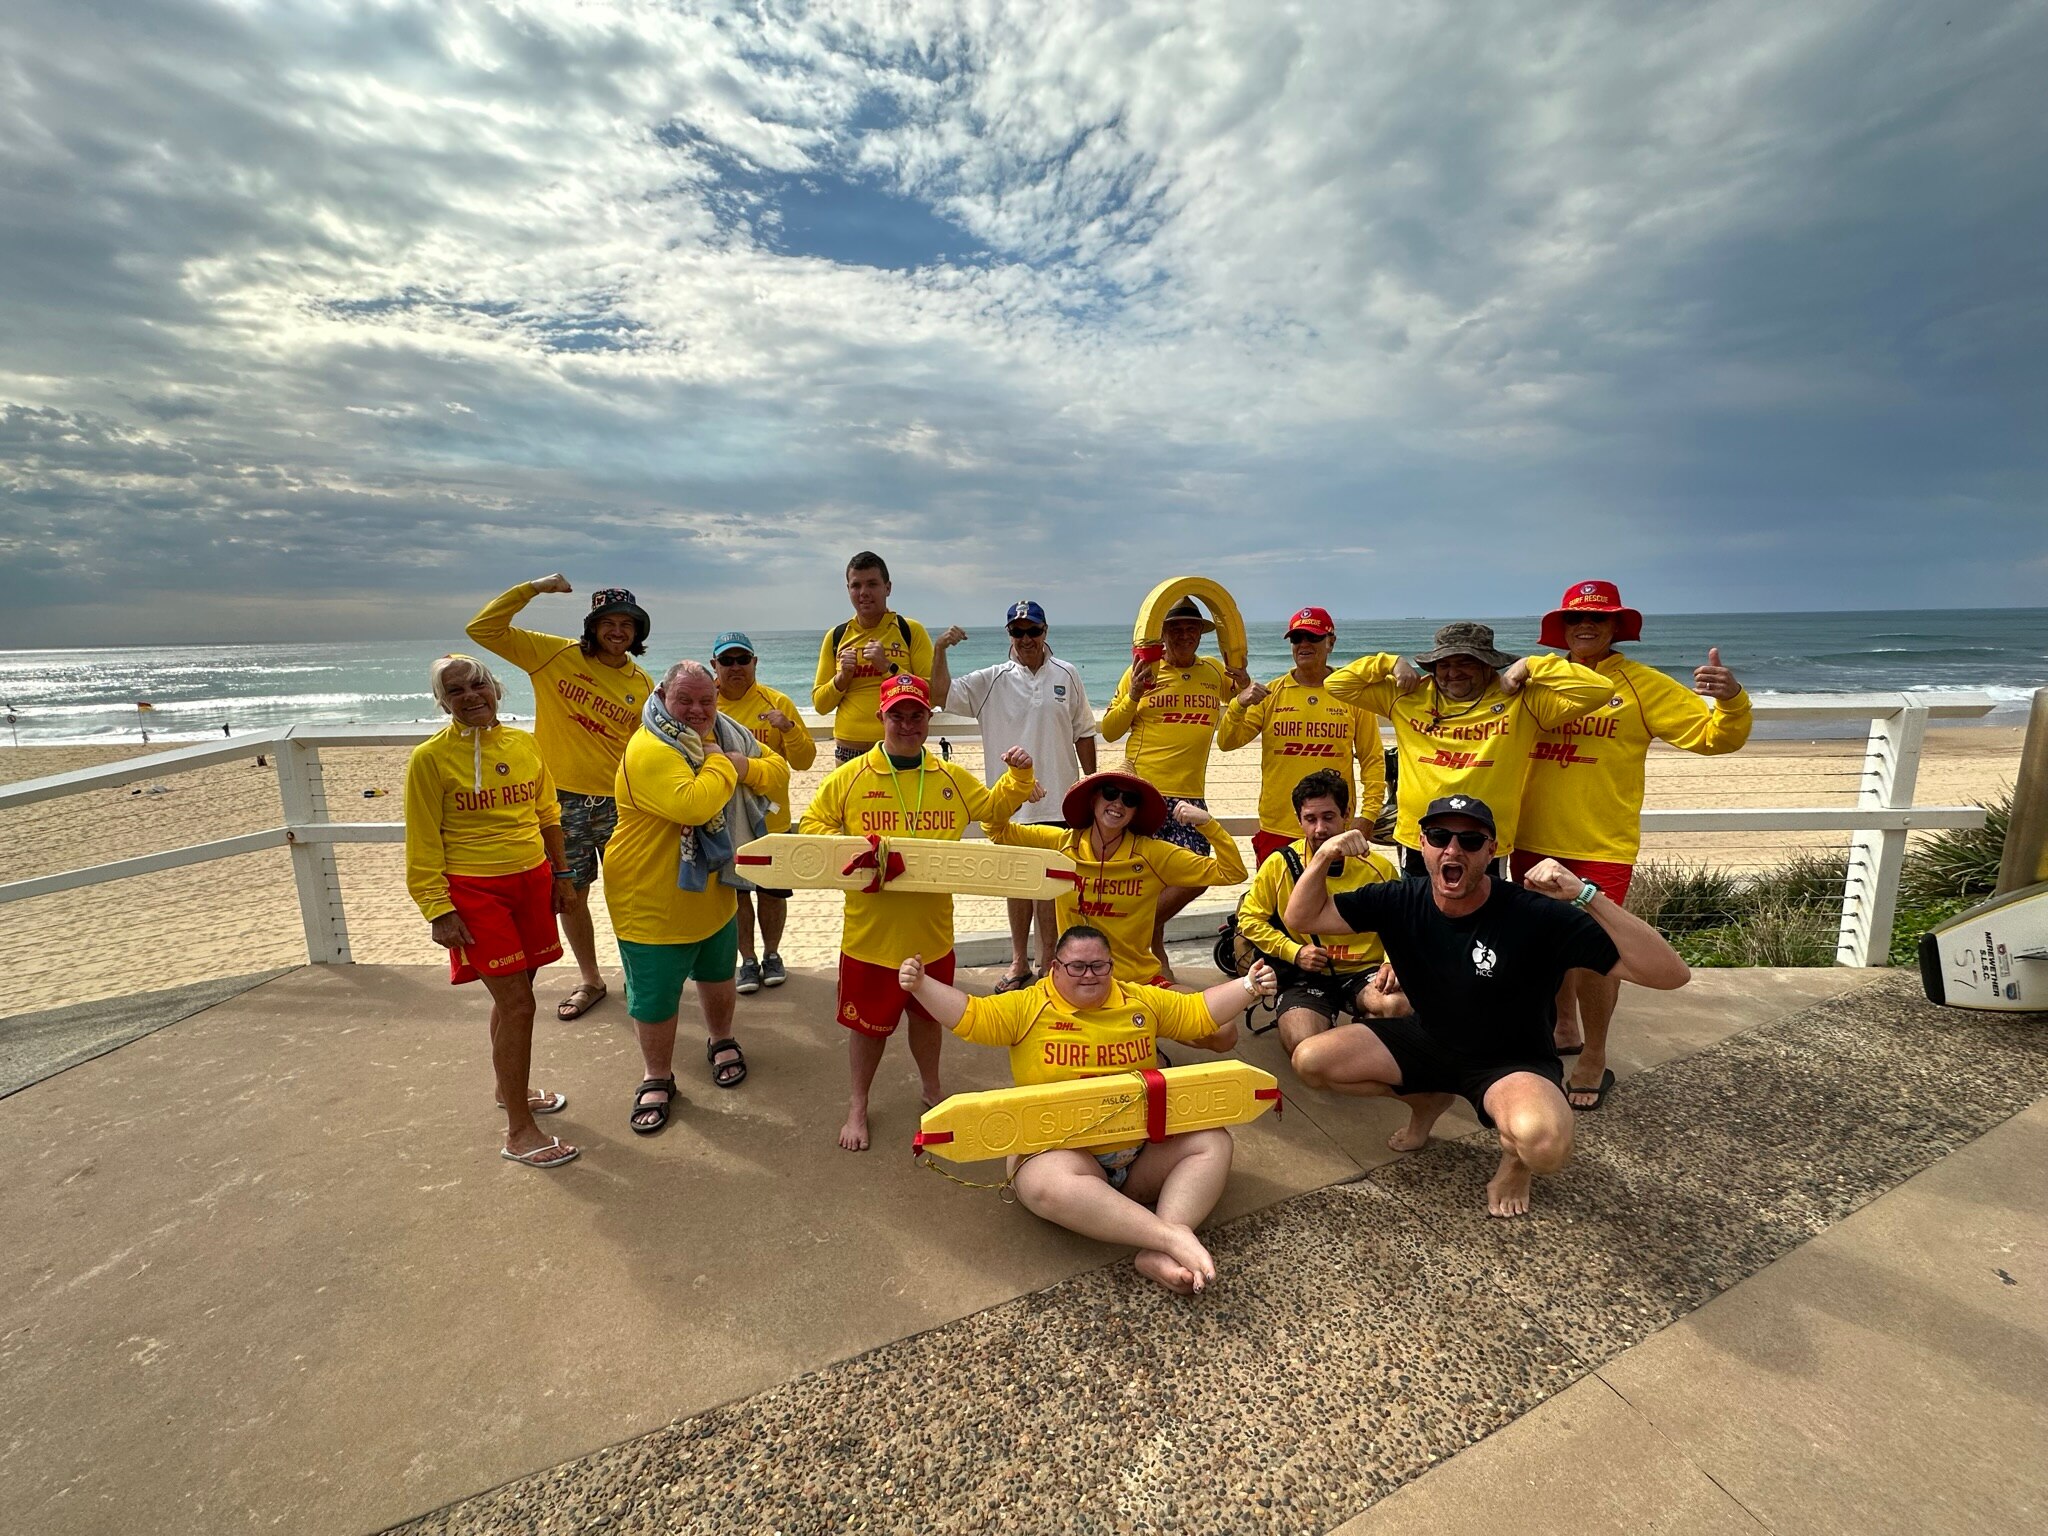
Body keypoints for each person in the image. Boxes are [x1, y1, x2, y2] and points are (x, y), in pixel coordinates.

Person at [1284, 796, 1690, 1216]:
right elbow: (1303, 918)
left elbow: (1670, 974)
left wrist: (1587, 895)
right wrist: (1325, 854)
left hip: (1510, 1062)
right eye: (1439, 837)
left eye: (1471, 841)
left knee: (1545, 1147)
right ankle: (1427, 1099)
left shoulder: (1534, 914)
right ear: (1422, 844)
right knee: (1311, 1061)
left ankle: (1515, 1164)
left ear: (1491, 850)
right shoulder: (1400, 899)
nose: (1452, 849)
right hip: (1427, 1039)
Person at [896, 927, 1281, 1294]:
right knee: (1045, 1184)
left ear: (1111, 966)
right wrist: (921, 985)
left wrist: (1249, 986)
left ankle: (1160, 1249)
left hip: (1141, 1149)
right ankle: (1170, 1238)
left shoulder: (1139, 1000)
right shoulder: (1027, 1006)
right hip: (1064, 1153)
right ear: (1055, 967)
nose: (1089, 975)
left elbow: (1199, 1011)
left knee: (1213, 1141)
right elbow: (969, 1015)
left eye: (1099, 965)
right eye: (1077, 966)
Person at [1516, 581, 1752, 1109]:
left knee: (1599, 955)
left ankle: (1594, 1054)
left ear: (1616, 626)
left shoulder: (1643, 685)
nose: (1586, 625)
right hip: (1527, 837)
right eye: (1575, 617)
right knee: (1545, 945)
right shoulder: (1538, 676)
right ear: (1561, 626)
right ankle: (1563, 1025)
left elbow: (1716, 737)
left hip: (1600, 844)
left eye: (1598, 618)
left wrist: (1731, 699)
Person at [799, 673, 1038, 1151]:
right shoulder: (850, 777)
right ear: (881, 717)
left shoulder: (950, 777)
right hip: (870, 936)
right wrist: (858, 852)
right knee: (866, 1029)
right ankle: (858, 1104)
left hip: (932, 935)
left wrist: (1020, 778)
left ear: (929, 720)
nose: (907, 724)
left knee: (929, 1020)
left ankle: (931, 1090)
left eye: (916, 716)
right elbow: (811, 826)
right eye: (898, 716)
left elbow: (992, 812)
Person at [403, 654, 579, 1169]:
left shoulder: (524, 744)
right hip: (475, 892)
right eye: (455, 691)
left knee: (514, 996)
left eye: (477, 684)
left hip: (532, 881)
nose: (470, 696)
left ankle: (509, 1091)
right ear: (442, 703)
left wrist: (562, 875)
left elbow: (547, 813)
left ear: (496, 689)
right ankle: (519, 1132)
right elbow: (422, 839)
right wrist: (436, 909)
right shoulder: (430, 759)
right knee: (519, 1004)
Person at [604, 661, 791, 1130]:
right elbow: (694, 803)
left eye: (706, 700)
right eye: (684, 700)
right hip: (651, 897)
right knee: (655, 998)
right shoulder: (651, 748)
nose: (697, 710)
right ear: (661, 696)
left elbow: (778, 771)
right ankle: (656, 1076)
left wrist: (740, 763)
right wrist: (725, 762)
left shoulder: (724, 733)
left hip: (712, 885)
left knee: (717, 974)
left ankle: (721, 1038)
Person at [467, 574, 655, 1022]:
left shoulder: (643, 683)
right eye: (608, 622)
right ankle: (591, 979)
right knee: (571, 894)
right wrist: (533, 588)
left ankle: (640, 978)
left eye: (626, 624)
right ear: (592, 626)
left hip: (619, 803)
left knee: (631, 895)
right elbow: (482, 629)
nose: (617, 631)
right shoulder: (553, 654)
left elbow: (645, 750)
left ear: (637, 633)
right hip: (559, 803)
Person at [1326, 621, 1611, 874]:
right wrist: (1388, 663)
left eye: (1466, 662)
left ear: (1488, 665)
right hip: (1419, 838)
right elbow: (1336, 684)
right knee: (1417, 911)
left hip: (1484, 841)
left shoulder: (1521, 700)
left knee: (1483, 915)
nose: (1453, 672)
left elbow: (1598, 690)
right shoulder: (1406, 696)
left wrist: (1531, 665)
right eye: (1444, 664)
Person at [945, 600, 1101, 990]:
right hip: (1009, 804)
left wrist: (1093, 784)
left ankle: (1047, 963)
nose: (1026, 639)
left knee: (1050, 887)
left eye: (1033, 631)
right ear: (1009, 635)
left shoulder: (1068, 673)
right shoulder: (990, 679)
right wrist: (938, 649)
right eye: (1018, 632)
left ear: (1045, 632)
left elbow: (1083, 730)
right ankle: (1019, 962)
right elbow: (941, 693)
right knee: (1015, 885)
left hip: (1060, 798)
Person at [1100, 595, 1252, 980]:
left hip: (1190, 794)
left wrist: (1245, 686)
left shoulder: (1212, 672)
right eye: (1176, 628)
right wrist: (1134, 695)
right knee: (1147, 877)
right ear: (1162, 634)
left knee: (1198, 870)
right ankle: (1155, 957)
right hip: (1144, 793)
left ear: (1201, 634)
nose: (1184, 635)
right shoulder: (1143, 672)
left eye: (1191, 628)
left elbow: (1236, 702)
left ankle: (1134, 932)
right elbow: (1110, 730)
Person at [987, 765, 1245, 985]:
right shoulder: (1061, 843)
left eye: (1129, 799)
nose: (1118, 803)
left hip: (1136, 980)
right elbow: (996, 830)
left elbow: (1231, 872)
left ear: (1135, 812)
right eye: (1110, 793)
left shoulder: (1152, 853)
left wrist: (1208, 824)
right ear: (1093, 799)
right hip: (1076, 979)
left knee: (1221, 1026)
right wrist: (1017, 783)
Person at [1234, 768, 1405, 1058]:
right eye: (1310, 819)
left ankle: (1359, 1036)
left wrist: (1392, 962)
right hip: (1305, 975)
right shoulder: (1279, 864)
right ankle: (1361, 1037)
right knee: (1301, 1042)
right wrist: (1294, 952)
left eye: (1328, 817)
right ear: (1298, 820)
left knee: (1398, 1007)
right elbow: (1249, 919)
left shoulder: (1379, 868)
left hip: (1364, 971)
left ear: (1346, 814)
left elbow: (1401, 923)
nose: (1320, 829)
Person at [1219, 606, 1387, 867]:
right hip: (1278, 826)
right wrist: (1239, 704)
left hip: (1331, 826)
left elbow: (1372, 759)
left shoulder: (1351, 695)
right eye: (1297, 638)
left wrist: (1369, 815)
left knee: (1333, 893)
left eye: (1313, 637)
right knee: (1277, 894)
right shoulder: (1272, 693)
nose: (1304, 644)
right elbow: (1227, 742)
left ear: (1331, 642)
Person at [709, 631, 816, 994]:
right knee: (737, 895)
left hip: (772, 820)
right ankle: (748, 960)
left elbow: (805, 761)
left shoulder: (777, 702)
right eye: (727, 661)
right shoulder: (705, 704)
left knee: (772, 894)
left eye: (743, 660)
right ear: (714, 665)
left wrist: (787, 727)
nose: (735, 667)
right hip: (724, 820)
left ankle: (772, 954)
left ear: (755, 663)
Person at [812, 551, 960, 765]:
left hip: (901, 748)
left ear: (887, 588)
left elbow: (932, 694)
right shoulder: (836, 636)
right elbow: (820, 704)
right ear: (848, 590)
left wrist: (888, 667)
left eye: (872, 584)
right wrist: (841, 679)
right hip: (849, 751)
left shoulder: (910, 630)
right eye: (856, 585)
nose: (864, 592)